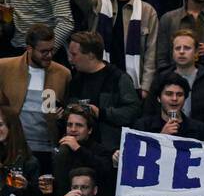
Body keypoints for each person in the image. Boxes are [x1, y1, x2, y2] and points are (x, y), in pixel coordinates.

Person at [0, 24, 69, 165]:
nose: (49, 55)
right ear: (30, 49)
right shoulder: (4, 68)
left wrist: (60, 116)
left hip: (46, 149)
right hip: (11, 148)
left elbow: (67, 111)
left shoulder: (63, 74)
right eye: (44, 51)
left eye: (52, 50)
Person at [65, 29, 141, 149]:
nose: (70, 59)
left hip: (108, 149)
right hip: (79, 148)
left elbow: (133, 111)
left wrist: (102, 113)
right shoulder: (76, 79)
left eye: (74, 54)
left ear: (90, 55)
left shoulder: (118, 78)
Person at [150, 29, 204, 134]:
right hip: (165, 137)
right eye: (177, 48)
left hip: (202, 140)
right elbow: (149, 113)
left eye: (187, 48)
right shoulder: (160, 79)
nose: (181, 51)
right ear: (172, 52)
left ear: (197, 52)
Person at [132, 75, 204, 140]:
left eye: (179, 95)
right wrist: (162, 137)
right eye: (169, 94)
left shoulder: (200, 130)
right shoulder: (142, 127)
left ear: (185, 98)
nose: (174, 98)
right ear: (159, 98)